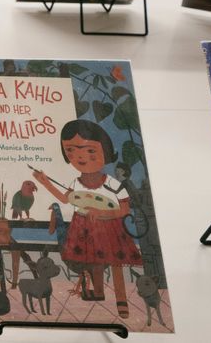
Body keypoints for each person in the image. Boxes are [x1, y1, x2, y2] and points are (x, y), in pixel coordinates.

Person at [33, 119, 142, 318]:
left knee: (115, 264)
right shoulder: (76, 182)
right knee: (93, 262)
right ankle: (98, 292)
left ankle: (121, 299)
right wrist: (45, 182)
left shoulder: (112, 183)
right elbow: (65, 199)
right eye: (71, 151)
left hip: (109, 228)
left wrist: (102, 214)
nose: (81, 156)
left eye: (90, 151)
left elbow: (125, 209)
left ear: (106, 152)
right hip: (82, 227)